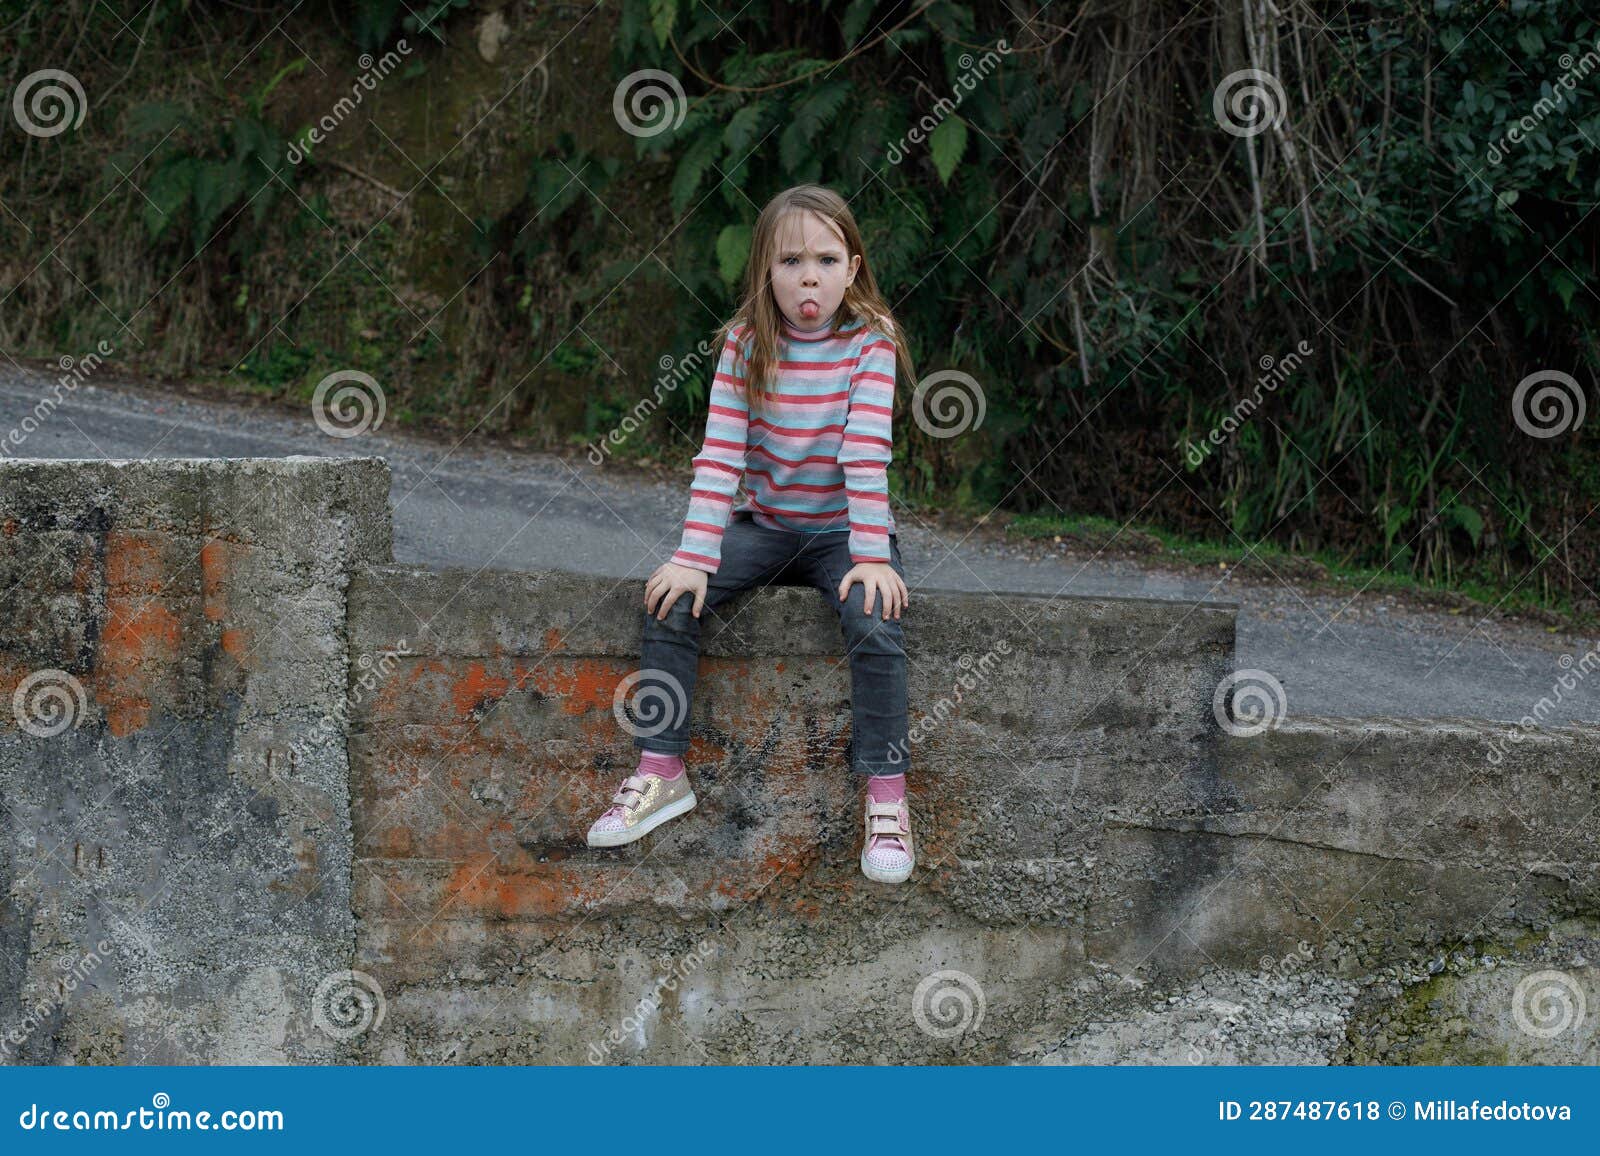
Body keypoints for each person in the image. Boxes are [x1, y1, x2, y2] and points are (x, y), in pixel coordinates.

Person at [585, 183, 921, 884]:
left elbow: (864, 451)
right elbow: (720, 456)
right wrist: (692, 556)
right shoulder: (745, 344)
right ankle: (661, 771)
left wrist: (869, 555)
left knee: (874, 615)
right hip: (766, 525)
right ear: (765, 270)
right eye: (791, 260)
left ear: (853, 268)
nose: (809, 276)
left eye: (828, 259)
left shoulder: (872, 341)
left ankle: (886, 798)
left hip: (842, 533)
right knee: (671, 598)